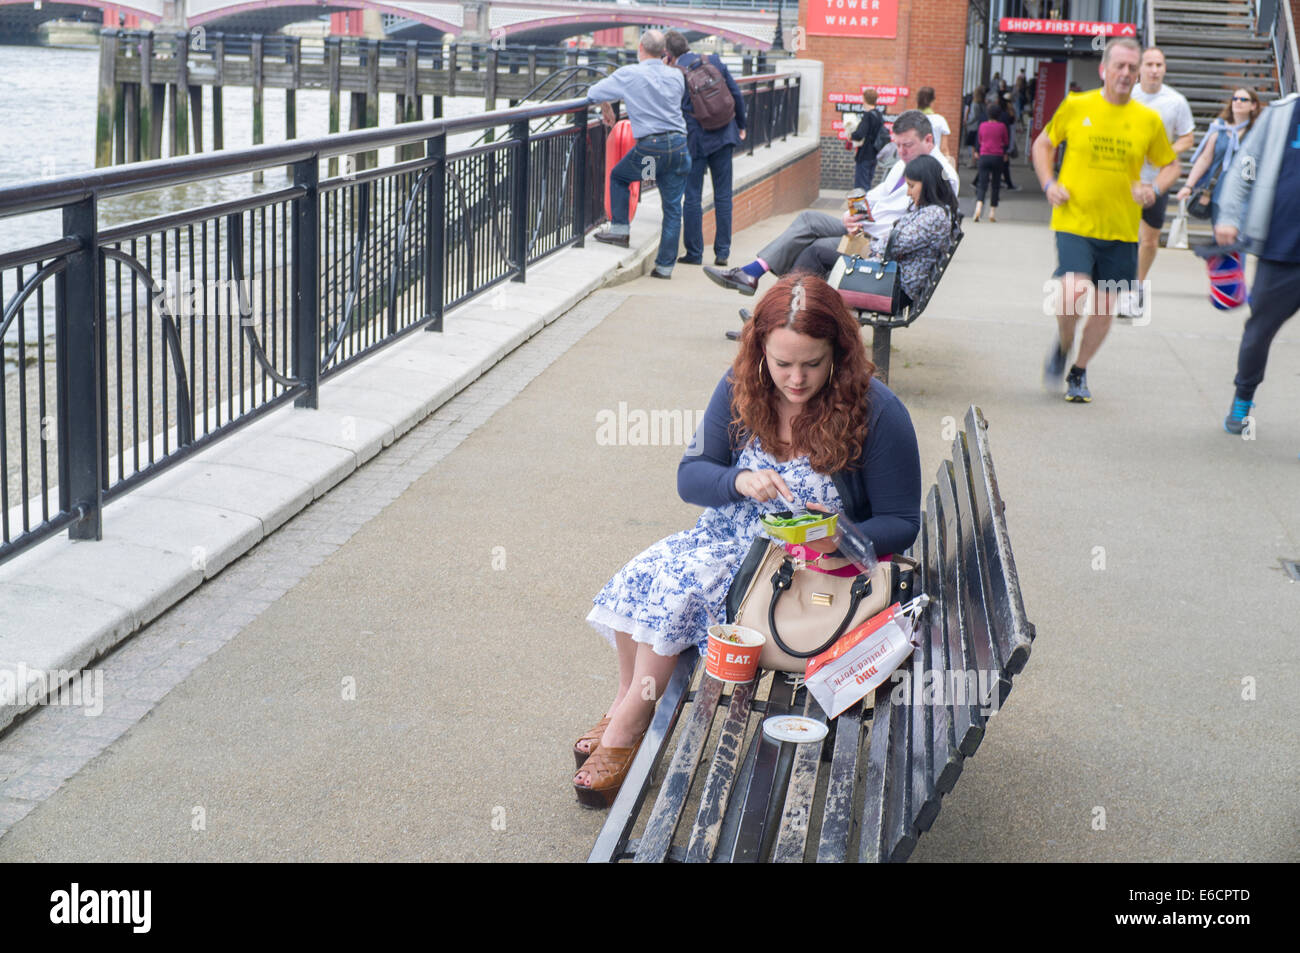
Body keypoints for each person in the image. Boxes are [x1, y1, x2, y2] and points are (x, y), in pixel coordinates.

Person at [573, 274, 922, 807]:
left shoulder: (876, 411)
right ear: (759, 349)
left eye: (812, 363)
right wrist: (737, 481)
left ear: (839, 354)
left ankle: (628, 726)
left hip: (805, 570)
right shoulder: (741, 386)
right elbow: (690, 477)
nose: (796, 378)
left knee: (681, 583)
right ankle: (627, 699)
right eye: (782, 363)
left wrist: (837, 533)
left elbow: (901, 521)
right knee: (644, 569)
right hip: (729, 539)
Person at [1031, 37, 1180, 403]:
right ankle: (1064, 345)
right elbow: (1043, 144)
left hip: (1122, 229)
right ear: (1104, 69)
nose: (1127, 73)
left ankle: (1078, 371)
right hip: (1074, 221)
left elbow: (1171, 165)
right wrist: (1049, 183)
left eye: (1133, 67)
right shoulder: (1077, 104)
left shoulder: (1147, 120)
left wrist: (1154, 190)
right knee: (1073, 290)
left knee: (1103, 307)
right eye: (1120, 66)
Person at [703, 110, 960, 295]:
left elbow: (915, 230)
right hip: (865, 228)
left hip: (875, 243)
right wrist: (853, 215)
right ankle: (754, 275)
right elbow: (877, 196)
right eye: (898, 145)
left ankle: (778, 315)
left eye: (908, 145)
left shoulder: (940, 175)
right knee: (808, 220)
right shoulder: (906, 164)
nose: (902, 152)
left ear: (929, 140)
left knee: (814, 248)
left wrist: (866, 230)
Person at [1211, 90, 1300, 437]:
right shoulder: (1280, 114)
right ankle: (1243, 396)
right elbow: (1245, 165)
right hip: (1282, 248)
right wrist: (1230, 215)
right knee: (1258, 333)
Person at [586, 29, 691, 279]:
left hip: (651, 145)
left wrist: (605, 104)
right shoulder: (676, 76)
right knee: (673, 208)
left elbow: (593, 93)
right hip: (678, 144)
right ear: (664, 52)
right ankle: (664, 268)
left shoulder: (630, 73)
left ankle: (620, 230)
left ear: (640, 49)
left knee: (620, 176)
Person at [664, 30, 747, 268]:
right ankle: (722, 251)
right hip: (724, 134)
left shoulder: (674, 74)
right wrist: (740, 125)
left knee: (692, 197)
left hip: (695, 140)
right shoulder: (714, 61)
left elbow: (670, 109)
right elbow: (736, 95)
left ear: (669, 54)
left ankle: (695, 252)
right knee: (723, 195)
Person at [1129, 47, 1196, 310]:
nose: (1155, 70)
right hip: (1126, 179)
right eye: (1149, 65)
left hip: (1158, 180)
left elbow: (1188, 137)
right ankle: (1118, 285)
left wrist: (1165, 153)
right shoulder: (1127, 96)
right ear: (1140, 68)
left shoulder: (1175, 101)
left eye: (1159, 65)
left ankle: (1138, 284)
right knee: (1120, 235)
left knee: (1149, 239)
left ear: (1164, 68)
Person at [1176, 88, 1262, 226]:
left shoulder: (1257, 131)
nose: (1238, 102)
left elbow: (1254, 165)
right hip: (1218, 191)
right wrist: (1188, 186)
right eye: (1235, 99)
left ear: (1253, 105)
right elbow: (1205, 158)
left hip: (1243, 195)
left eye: (1244, 99)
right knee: (1220, 236)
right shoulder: (1220, 127)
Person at [973, 102, 1010, 223]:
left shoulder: (982, 125)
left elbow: (979, 140)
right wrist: (1004, 153)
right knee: (995, 185)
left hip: (984, 156)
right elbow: (1006, 142)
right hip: (997, 157)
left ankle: (978, 207)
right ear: (999, 114)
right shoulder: (1002, 126)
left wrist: (978, 151)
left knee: (982, 183)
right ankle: (992, 212)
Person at [850, 88, 885, 192]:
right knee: (867, 184)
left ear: (864, 99)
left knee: (861, 188)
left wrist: (851, 135)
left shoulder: (868, 115)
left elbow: (859, 134)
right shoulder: (878, 115)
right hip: (874, 154)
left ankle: (861, 208)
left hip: (864, 154)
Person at [916, 86, 950, 159]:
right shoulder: (940, 120)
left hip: (915, 162)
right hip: (934, 162)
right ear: (932, 101)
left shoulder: (911, 119)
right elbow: (944, 149)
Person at [962, 85, 988, 169]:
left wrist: (967, 122)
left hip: (974, 127)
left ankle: (973, 162)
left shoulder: (975, 103)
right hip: (982, 126)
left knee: (972, 145)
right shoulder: (984, 103)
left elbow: (974, 116)